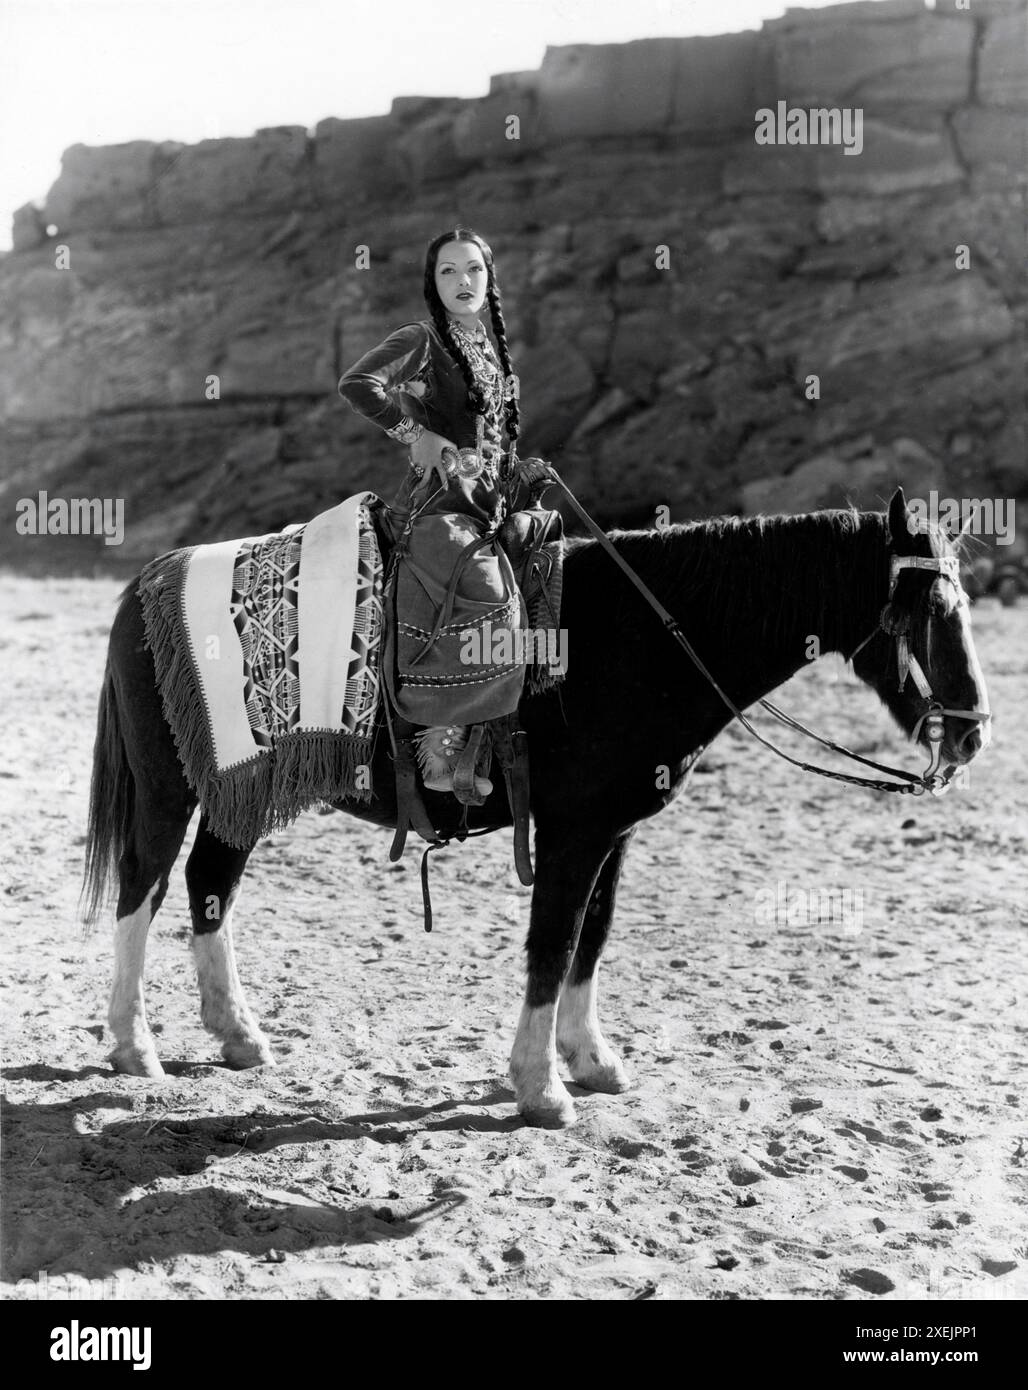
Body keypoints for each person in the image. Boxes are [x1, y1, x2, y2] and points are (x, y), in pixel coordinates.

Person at [337, 227, 550, 799]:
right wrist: (415, 433)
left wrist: (517, 471)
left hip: (491, 499)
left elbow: (492, 430)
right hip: (439, 504)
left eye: (474, 270)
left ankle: (517, 720)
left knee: (551, 560)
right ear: (433, 283)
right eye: (448, 271)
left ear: (489, 277)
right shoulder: (422, 338)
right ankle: (439, 741)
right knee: (477, 584)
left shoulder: (487, 341)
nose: (463, 281)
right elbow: (358, 384)